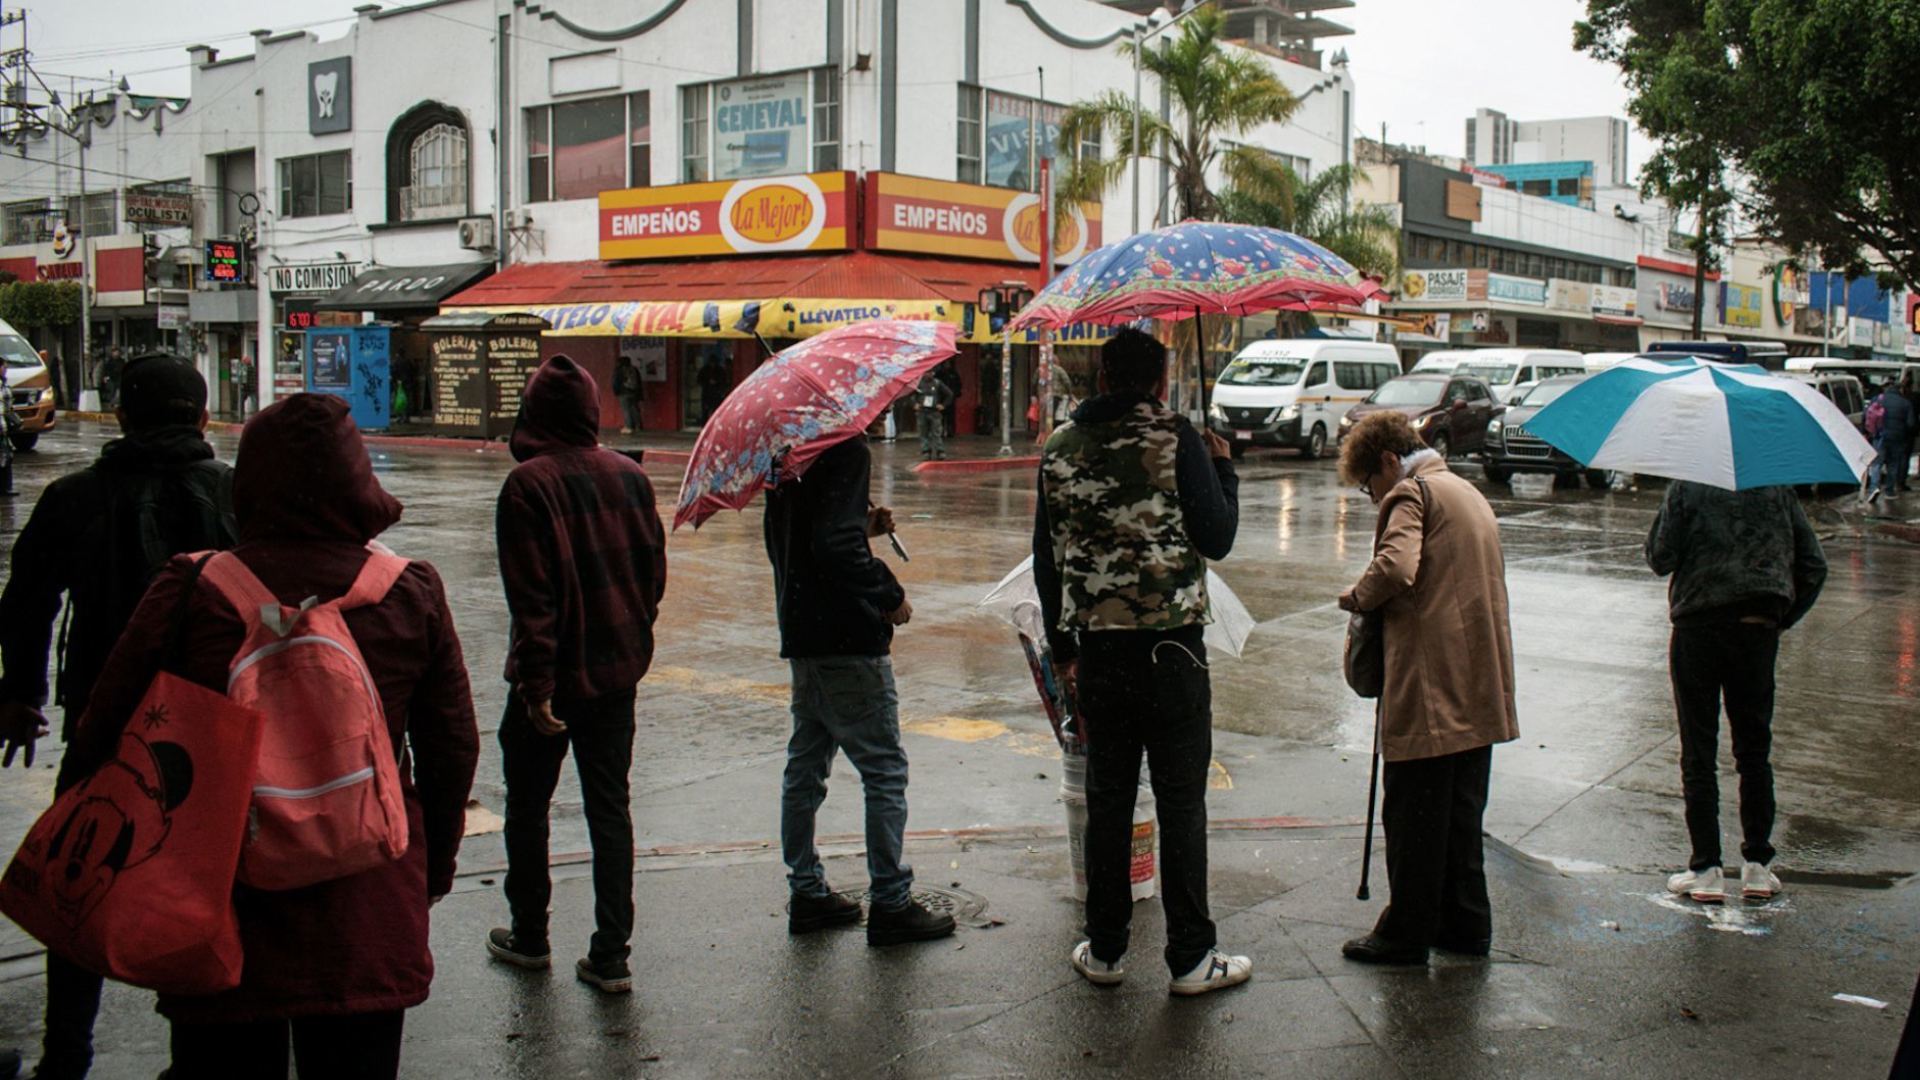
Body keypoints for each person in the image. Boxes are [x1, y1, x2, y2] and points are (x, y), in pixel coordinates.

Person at [60, 393, 477, 1079]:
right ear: (358, 480)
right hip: (365, 903)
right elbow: (452, 748)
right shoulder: (410, 592)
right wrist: (431, 869)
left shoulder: (193, 589)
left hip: (221, 907)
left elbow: (102, 732)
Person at [0, 354, 236, 1080]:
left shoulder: (75, 498)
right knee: (208, 883)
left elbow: (27, 604)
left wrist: (21, 697)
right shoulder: (234, 493)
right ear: (204, 417)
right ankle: (197, 1056)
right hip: (215, 727)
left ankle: (66, 1053)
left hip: (101, 717)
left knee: (79, 874)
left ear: (121, 417)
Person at [1032, 327, 1250, 995]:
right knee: (1182, 804)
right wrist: (1222, 468)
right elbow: (1217, 537)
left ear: (1102, 378)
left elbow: (1046, 560)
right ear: (1159, 382)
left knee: (1109, 802)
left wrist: (1063, 652)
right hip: (1172, 650)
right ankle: (1191, 958)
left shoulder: (1060, 447)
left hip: (1100, 654)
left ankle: (1104, 950)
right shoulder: (1178, 437)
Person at [488, 355, 668, 995]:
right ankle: (611, 953)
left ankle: (530, 935)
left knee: (527, 808)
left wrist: (537, 685)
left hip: (553, 683)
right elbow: (652, 579)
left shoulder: (527, 486)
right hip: (616, 675)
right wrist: (629, 636)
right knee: (610, 809)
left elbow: (532, 601)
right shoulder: (630, 476)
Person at [1336, 410, 1518, 966]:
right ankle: (1465, 923)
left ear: (1389, 461)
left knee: (1413, 811)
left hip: (1431, 682)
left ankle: (1406, 932)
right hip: (1478, 677)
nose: (1373, 497)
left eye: (1369, 484)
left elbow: (1395, 567)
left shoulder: (1410, 494)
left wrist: (1357, 596)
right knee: (1460, 813)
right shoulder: (1466, 492)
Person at [765, 432, 954, 946]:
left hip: (803, 633)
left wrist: (860, 525)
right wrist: (889, 592)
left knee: (806, 767)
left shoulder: (786, 453)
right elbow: (835, 547)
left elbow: (800, 540)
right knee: (884, 770)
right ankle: (891, 901)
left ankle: (807, 891)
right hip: (847, 638)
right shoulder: (845, 448)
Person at [1648, 479, 1825, 903]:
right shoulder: (1777, 490)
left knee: (1698, 751)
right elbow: (1814, 566)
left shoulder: (1687, 486)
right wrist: (1780, 617)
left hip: (1698, 629)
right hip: (1756, 630)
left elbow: (1660, 557)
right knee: (1754, 750)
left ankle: (1706, 868)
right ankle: (1758, 867)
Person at [1880, 374, 1915, 498]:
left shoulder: (1880, 399)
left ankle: (1874, 487)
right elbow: (1911, 423)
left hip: (1880, 435)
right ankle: (1889, 490)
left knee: (1877, 462)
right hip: (1898, 437)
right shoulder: (1905, 403)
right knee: (1893, 463)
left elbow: (1868, 415)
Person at [914, 371, 955, 460]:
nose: (928, 375)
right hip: (922, 411)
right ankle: (926, 451)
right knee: (923, 433)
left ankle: (940, 451)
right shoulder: (918, 384)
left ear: (933, 373)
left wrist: (943, 405)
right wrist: (914, 403)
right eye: (926, 373)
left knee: (936, 433)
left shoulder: (937, 383)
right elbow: (910, 395)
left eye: (930, 373)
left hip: (934, 411)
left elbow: (949, 394)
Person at [612, 353, 644, 434]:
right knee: (635, 409)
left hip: (623, 392)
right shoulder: (634, 369)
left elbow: (615, 382)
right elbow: (639, 381)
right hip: (634, 392)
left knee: (626, 410)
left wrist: (616, 391)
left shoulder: (619, 370)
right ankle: (638, 426)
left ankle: (629, 427)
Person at [698, 350, 732, 423]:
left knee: (716, 410)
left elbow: (724, 380)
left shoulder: (720, 370)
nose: (712, 364)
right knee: (705, 410)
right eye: (711, 362)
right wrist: (707, 382)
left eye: (713, 362)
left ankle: (716, 423)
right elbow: (699, 380)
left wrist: (717, 383)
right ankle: (705, 424)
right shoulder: (704, 370)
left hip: (716, 392)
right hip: (707, 392)